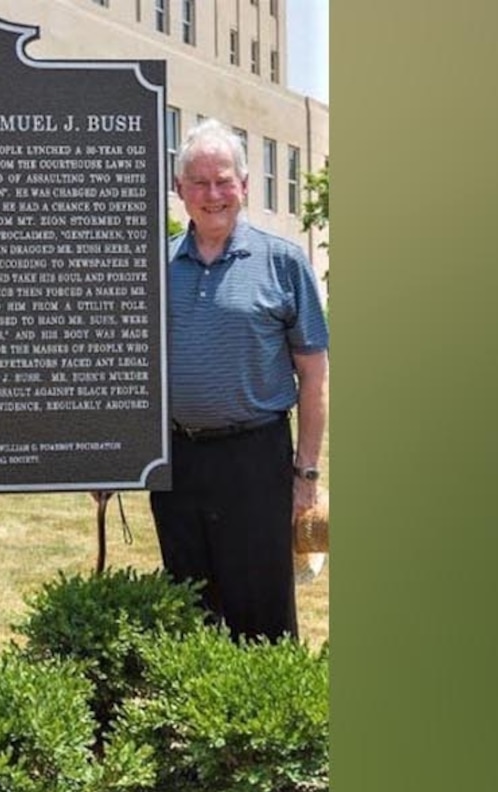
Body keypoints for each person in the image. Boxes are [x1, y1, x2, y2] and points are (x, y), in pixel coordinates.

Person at [150, 119, 330, 640]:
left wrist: (307, 476)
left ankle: (265, 719)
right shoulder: (155, 267)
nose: (213, 195)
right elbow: (129, 369)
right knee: (187, 613)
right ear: (180, 190)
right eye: (199, 182)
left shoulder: (283, 262)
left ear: (245, 186)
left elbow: (314, 376)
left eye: (224, 180)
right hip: (176, 465)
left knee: (264, 615)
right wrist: (113, 461)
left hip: (256, 462)